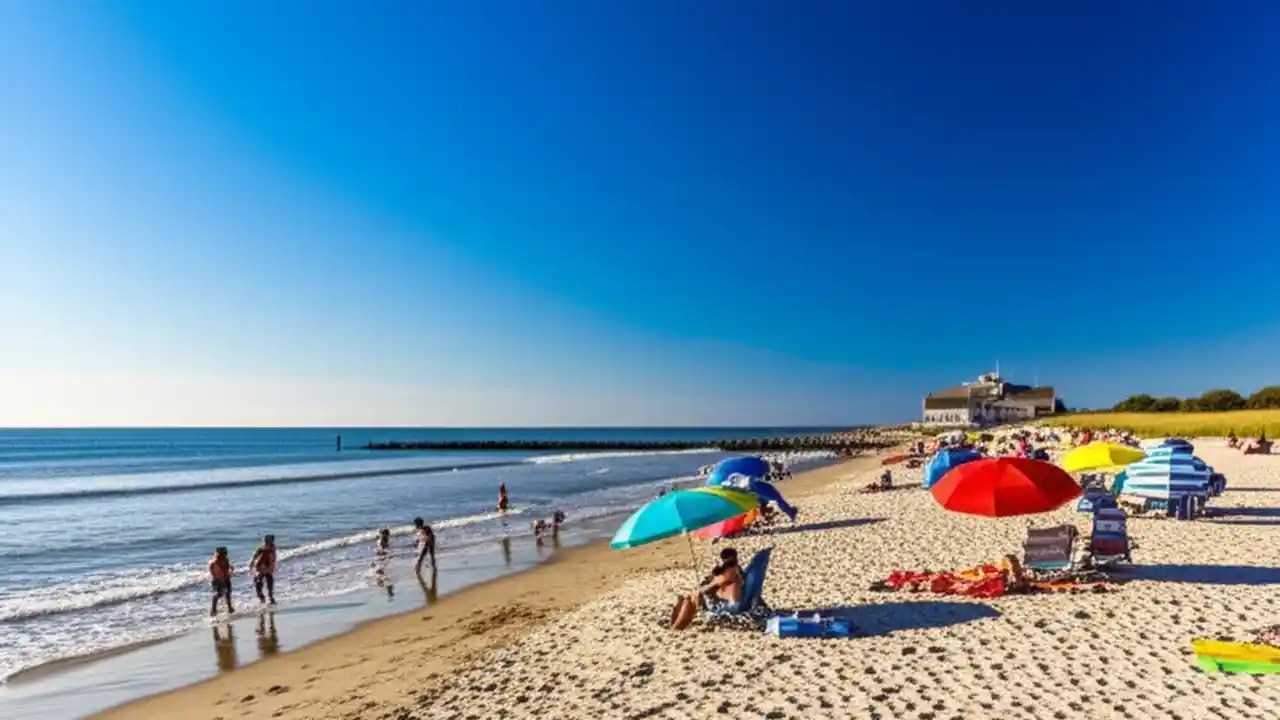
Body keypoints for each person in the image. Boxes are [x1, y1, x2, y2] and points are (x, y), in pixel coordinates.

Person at [250, 534, 277, 605]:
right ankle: (268, 598)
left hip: (264, 568)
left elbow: (256, 556)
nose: (264, 541)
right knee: (266, 582)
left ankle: (264, 598)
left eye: (265, 540)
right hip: (265, 568)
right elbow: (256, 555)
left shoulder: (267, 548)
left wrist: (252, 563)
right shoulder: (270, 548)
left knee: (260, 582)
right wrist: (253, 562)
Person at [209, 547, 234, 617]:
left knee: (228, 593)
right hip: (217, 580)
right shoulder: (214, 563)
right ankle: (213, 609)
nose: (225, 555)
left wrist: (231, 569)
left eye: (225, 554)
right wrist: (218, 579)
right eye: (224, 554)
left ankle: (229, 608)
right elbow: (212, 572)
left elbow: (228, 567)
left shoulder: (226, 560)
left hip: (226, 579)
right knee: (218, 594)